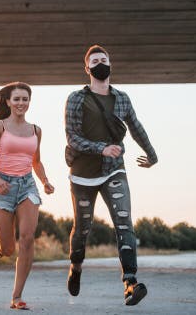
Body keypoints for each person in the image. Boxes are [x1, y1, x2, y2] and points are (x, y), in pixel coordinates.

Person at [64, 45, 158, 306]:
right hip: (83, 174)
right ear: (87, 69)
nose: (99, 63)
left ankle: (130, 282)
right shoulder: (76, 98)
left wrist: (152, 154)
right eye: (94, 61)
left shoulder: (122, 98)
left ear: (110, 65)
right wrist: (101, 148)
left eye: (103, 59)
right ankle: (76, 267)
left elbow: (136, 127)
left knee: (125, 223)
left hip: (114, 170)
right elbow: (72, 138)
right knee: (82, 228)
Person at [0, 82, 54, 311]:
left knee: (26, 238)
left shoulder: (36, 130)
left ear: (29, 102)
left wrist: (45, 182)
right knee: (8, 249)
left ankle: (17, 296)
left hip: (27, 186)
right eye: (17, 99)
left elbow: (36, 161)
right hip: (2, 186)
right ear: (8, 102)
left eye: (25, 99)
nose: (21, 103)